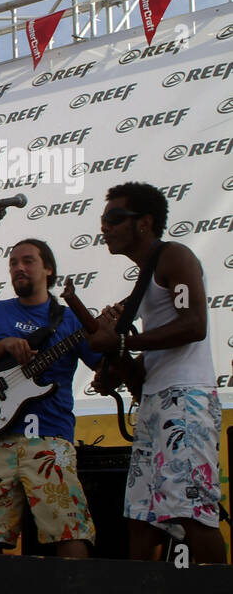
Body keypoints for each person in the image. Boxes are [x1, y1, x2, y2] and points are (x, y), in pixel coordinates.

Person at [89, 183, 225, 563]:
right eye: (104, 219)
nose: (106, 227)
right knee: (141, 519)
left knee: (193, 512)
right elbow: (150, 357)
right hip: (156, 401)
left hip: (186, 399)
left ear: (145, 223)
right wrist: (117, 367)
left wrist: (124, 345)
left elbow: (194, 324)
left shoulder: (174, 256)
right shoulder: (143, 279)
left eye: (115, 218)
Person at [0, 239, 103, 558]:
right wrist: (5, 346)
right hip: (1, 439)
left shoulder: (69, 319)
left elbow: (103, 367)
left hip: (50, 438)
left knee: (68, 529)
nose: (18, 268)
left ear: (48, 269)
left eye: (27, 261)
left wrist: (109, 339)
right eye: (13, 263)